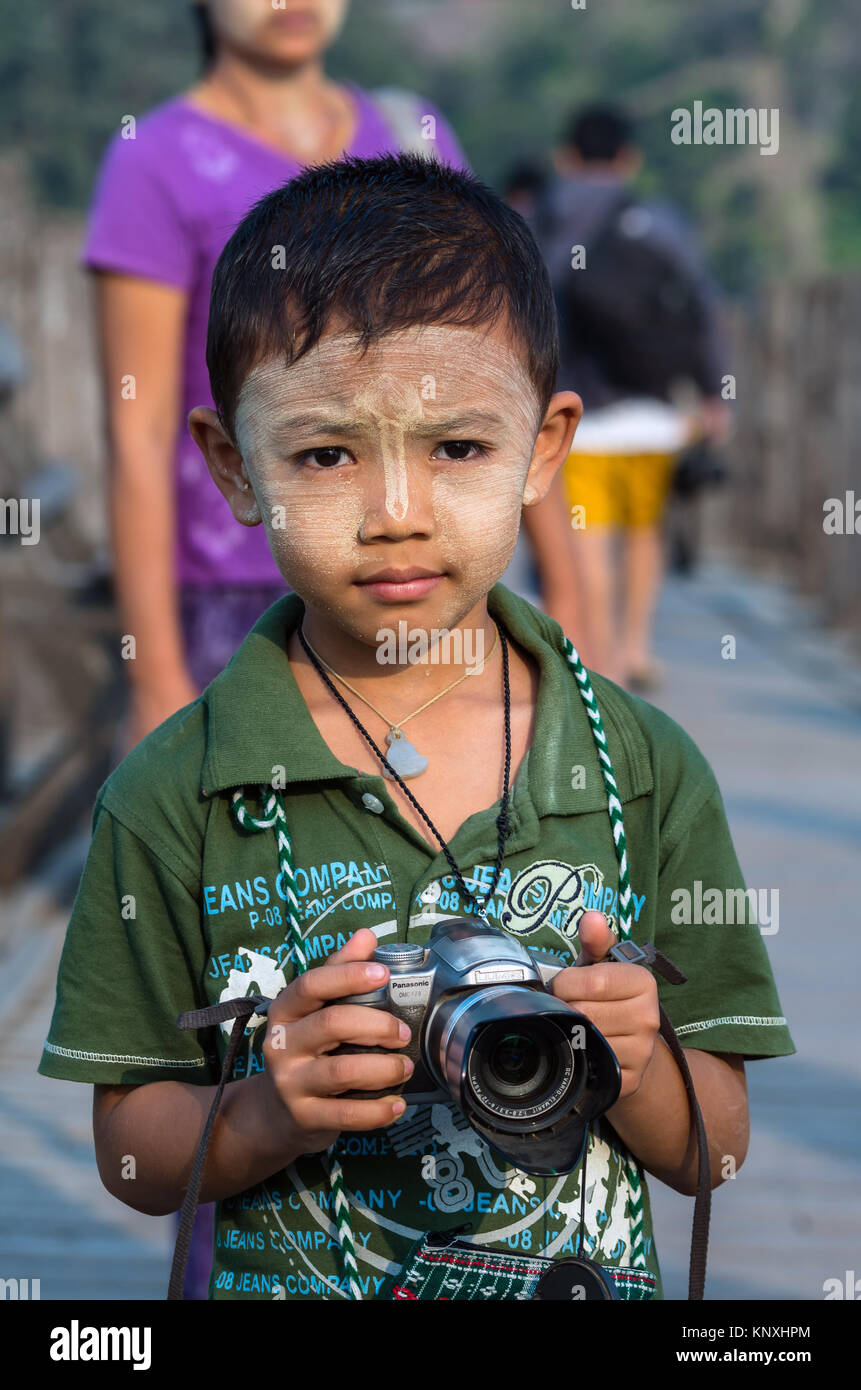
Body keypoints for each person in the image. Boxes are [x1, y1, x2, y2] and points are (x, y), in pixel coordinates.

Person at [39, 152, 794, 1302]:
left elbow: (718, 1148)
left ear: (545, 448)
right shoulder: (173, 790)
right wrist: (260, 1109)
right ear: (235, 467)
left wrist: (636, 1063)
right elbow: (133, 1155)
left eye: (458, 448)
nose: (397, 513)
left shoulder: (641, 768)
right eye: (326, 454)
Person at [84, 0, 468, 751]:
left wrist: (572, 610)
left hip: (409, 572)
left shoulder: (411, 138)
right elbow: (139, 431)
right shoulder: (156, 161)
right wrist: (157, 678)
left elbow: (486, 380)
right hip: (232, 600)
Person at [534, 104, 731, 688]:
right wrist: (717, 394)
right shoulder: (660, 221)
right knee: (645, 530)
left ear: (565, 158)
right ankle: (637, 645)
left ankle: (600, 658)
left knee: (588, 537)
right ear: (630, 159)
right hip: (654, 415)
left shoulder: (542, 220)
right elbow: (702, 310)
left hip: (577, 416)